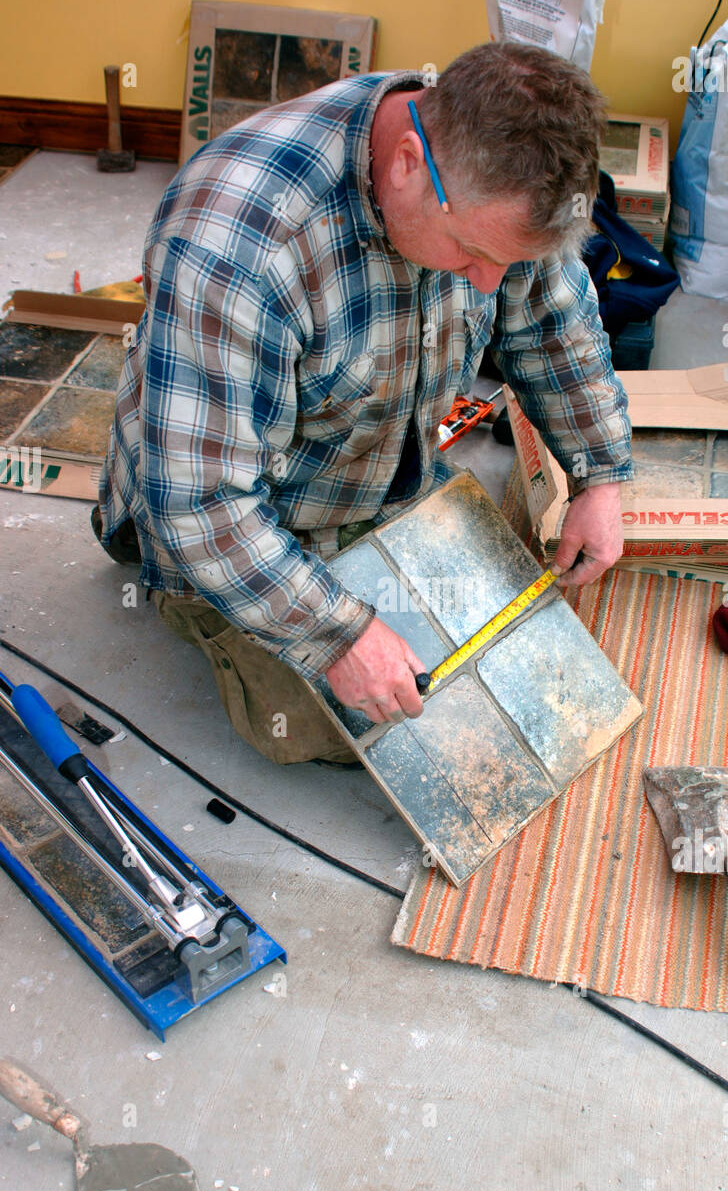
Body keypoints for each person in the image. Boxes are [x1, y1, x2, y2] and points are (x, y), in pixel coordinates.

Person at [94, 42, 633, 765]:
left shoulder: (492, 182)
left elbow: (553, 325)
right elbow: (198, 503)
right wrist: (338, 636)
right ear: (408, 162)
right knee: (410, 731)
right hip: (237, 527)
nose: (486, 286)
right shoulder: (239, 238)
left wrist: (601, 474)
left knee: (521, 678)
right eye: (470, 252)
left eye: (510, 261)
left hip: (382, 477)